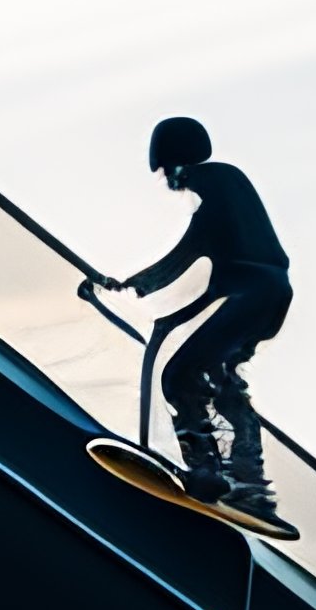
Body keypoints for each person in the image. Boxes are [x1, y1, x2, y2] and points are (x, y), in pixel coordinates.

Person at [93, 116, 292, 526]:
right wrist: (155, 297)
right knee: (221, 379)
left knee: (181, 376)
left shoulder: (214, 181)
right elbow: (217, 256)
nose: (167, 181)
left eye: (166, 170)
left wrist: (132, 286)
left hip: (250, 293)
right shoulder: (228, 184)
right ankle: (248, 483)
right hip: (264, 291)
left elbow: (192, 248)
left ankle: (214, 472)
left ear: (178, 161)